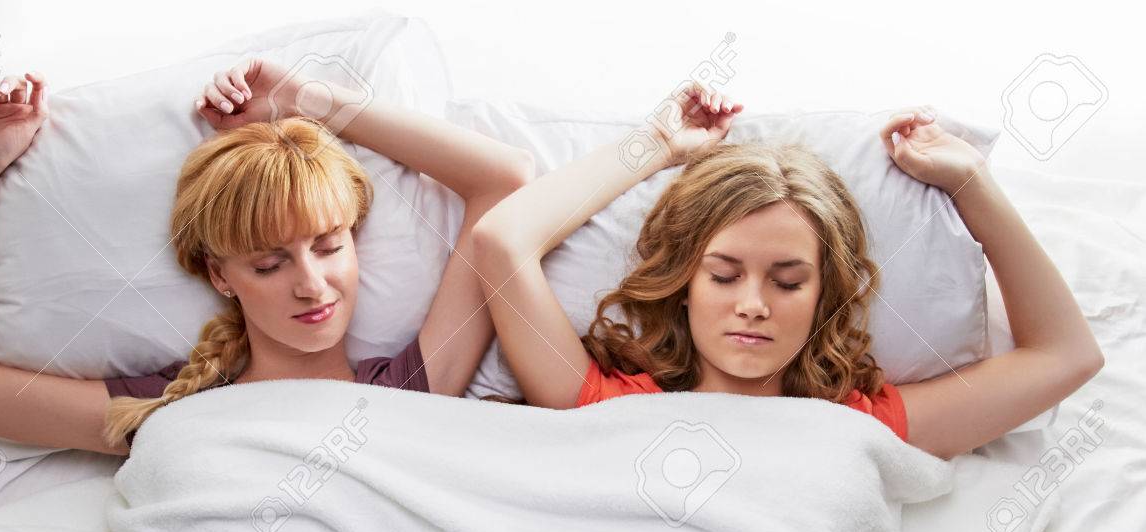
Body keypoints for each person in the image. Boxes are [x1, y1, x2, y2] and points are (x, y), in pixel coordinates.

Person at [0, 64, 534, 455]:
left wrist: (306, 100)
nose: (313, 285)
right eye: (269, 265)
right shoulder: (165, 409)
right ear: (220, 275)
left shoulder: (408, 390)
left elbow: (503, 181)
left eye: (329, 246)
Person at [470, 85, 1104, 460]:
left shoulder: (858, 425)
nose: (753, 303)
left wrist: (971, 183)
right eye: (723, 276)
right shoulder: (607, 405)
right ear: (684, 288)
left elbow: (1067, 356)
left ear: (822, 297)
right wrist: (656, 147)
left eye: (788, 281)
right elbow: (502, 239)